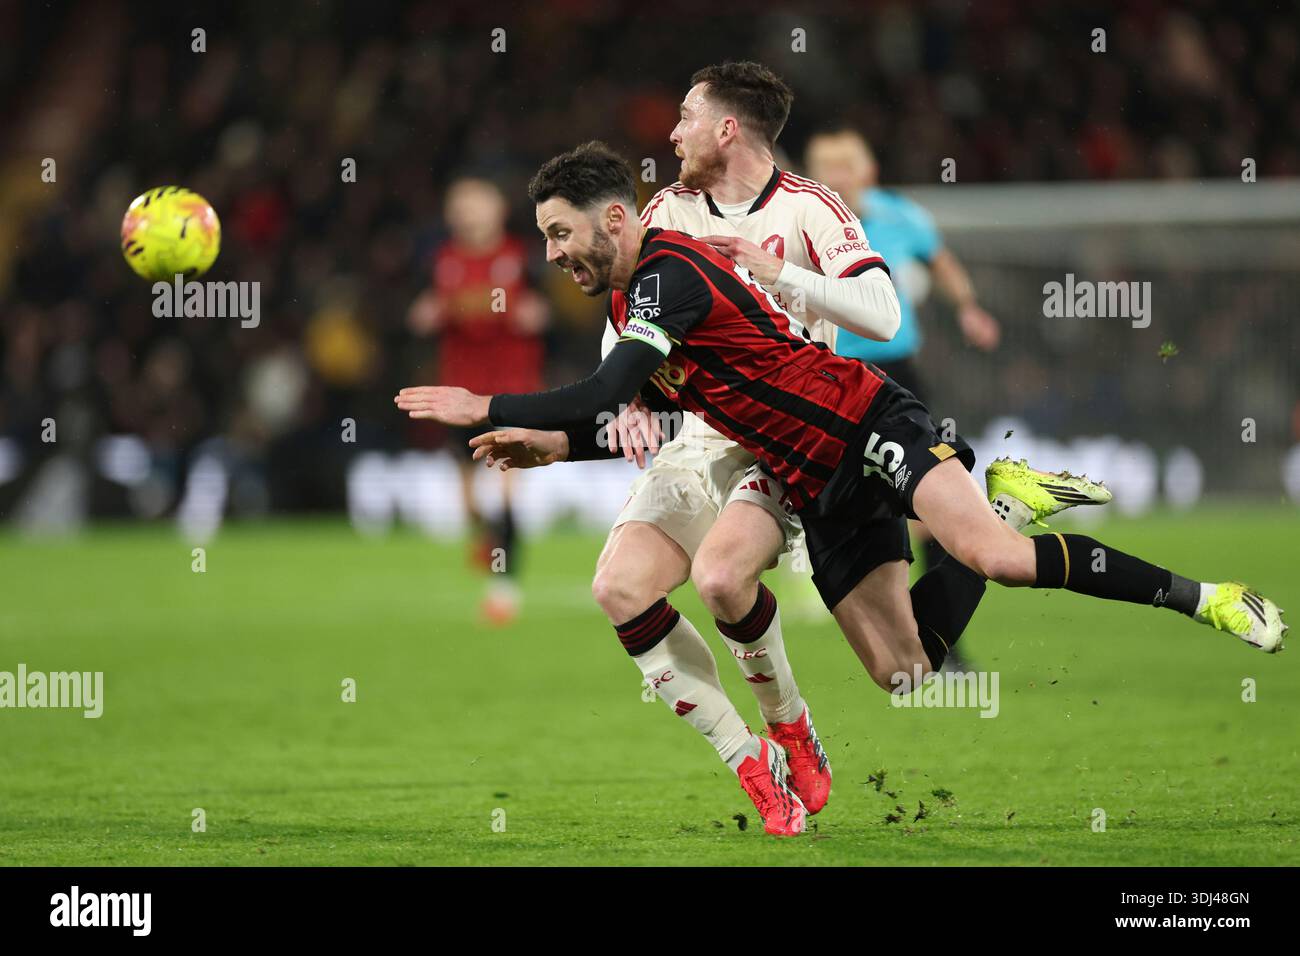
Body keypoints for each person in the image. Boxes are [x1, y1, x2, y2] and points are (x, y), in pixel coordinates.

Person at [397, 142, 1287, 835]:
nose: (550, 252)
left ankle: (1205, 597)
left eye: (559, 232)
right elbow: (627, 412)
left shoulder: (670, 274)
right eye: (545, 235)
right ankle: (1010, 495)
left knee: (998, 560)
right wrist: (557, 444)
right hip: (806, 479)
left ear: (618, 220)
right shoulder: (631, 304)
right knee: (908, 674)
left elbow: (600, 392)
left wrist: (490, 401)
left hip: (867, 424)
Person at [805, 127, 1000, 587]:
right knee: (835, 497)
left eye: (845, 168)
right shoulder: (804, 221)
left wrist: (969, 307)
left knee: (932, 488)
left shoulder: (899, 216)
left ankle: (940, 630)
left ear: (868, 173)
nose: (837, 180)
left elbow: (940, 260)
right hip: (831, 375)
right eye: (826, 172)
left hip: (898, 374)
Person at [407, 176, 548, 624]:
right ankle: (490, 545)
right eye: (460, 204)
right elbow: (426, 312)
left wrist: (535, 315)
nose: (467, 211)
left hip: (509, 390)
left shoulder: (520, 257)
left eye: (476, 202)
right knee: (468, 501)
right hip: (457, 394)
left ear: (497, 209)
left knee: (505, 485)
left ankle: (504, 589)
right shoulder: (443, 260)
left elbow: (543, 310)